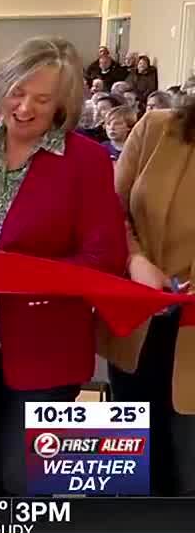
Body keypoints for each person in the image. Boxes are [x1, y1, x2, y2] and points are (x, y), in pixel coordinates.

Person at [0, 37, 127, 496]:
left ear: (63, 103)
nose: (24, 107)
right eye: (17, 93)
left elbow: (105, 257)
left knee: (23, 477)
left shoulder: (88, 161)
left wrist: (22, 270)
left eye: (42, 99)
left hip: (46, 345)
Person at [107, 101, 195, 494]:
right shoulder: (157, 128)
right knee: (133, 475)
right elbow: (110, 207)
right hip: (138, 326)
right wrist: (135, 258)